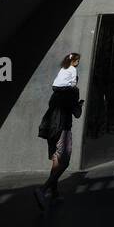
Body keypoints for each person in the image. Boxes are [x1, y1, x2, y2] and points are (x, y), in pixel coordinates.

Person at [35, 53, 83, 210]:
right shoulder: (73, 92)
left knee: (56, 159)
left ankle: (54, 192)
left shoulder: (55, 93)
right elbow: (76, 114)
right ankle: (43, 190)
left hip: (50, 128)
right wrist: (79, 105)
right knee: (64, 161)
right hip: (63, 128)